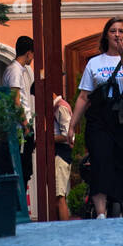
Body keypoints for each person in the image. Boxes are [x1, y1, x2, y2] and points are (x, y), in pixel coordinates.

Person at [67, 17, 123, 219]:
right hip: (100, 116)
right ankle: (101, 213)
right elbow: (84, 96)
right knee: (100, 160)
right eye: (113, 31)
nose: (117, 35)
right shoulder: (94, 62)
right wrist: (72, 125)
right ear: (106, 35)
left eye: (121, 31)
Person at [3, 36, 35, 207]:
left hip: (20, 127)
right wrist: (25, 126)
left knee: (24, 169)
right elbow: (15, 100)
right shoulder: (15, 71)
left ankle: (20, 205)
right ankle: (20, 206)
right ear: (29, 53)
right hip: (20, 129)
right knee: (23, 169)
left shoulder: (14, 70)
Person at [52, 92, 73, 221]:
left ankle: (64, 228)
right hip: (60, 154)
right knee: (58, 196)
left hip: (62, 155)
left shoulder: (61, 107)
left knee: (60, 197)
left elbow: (67, 136)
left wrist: (47, 137)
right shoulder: (58, 106)